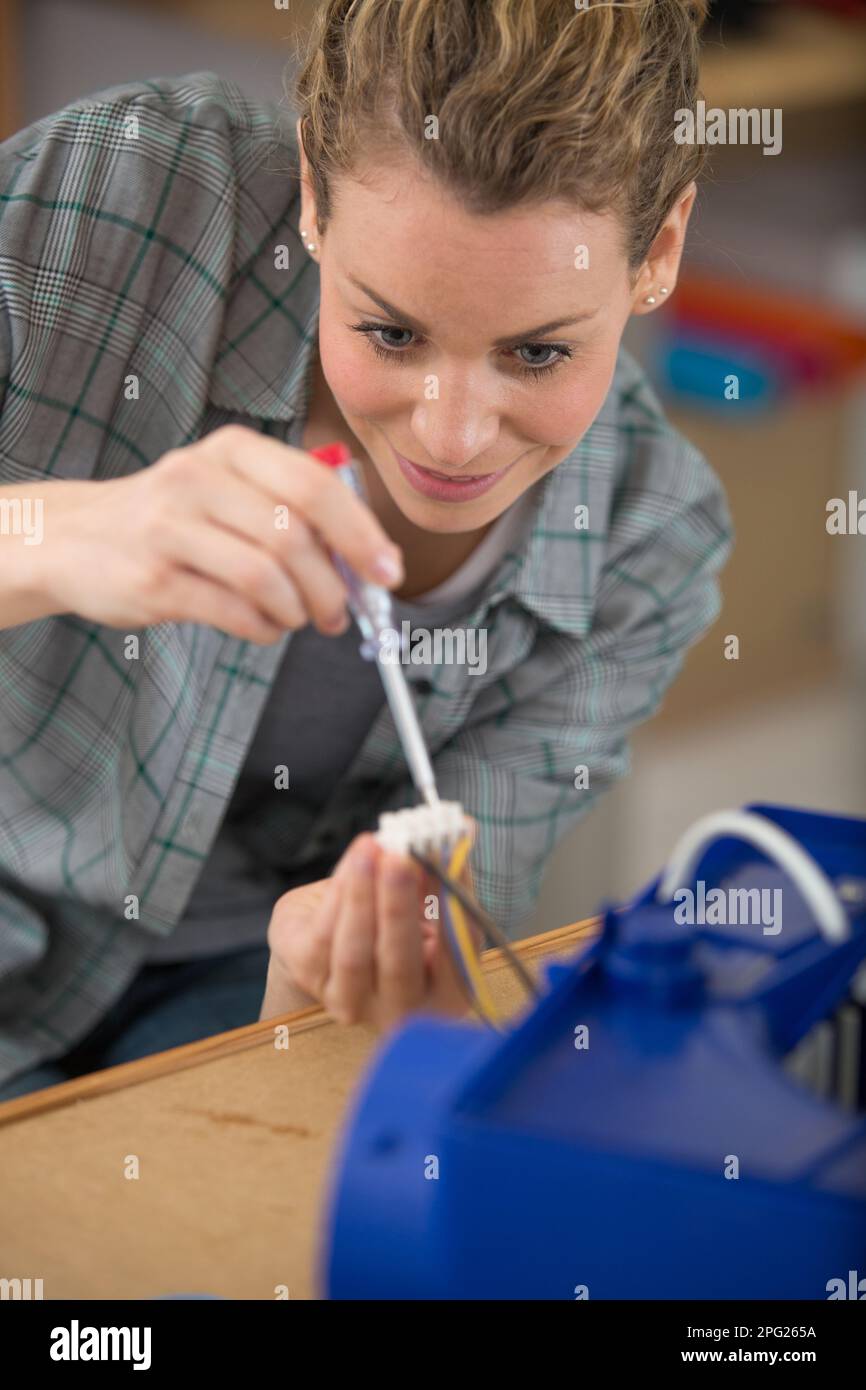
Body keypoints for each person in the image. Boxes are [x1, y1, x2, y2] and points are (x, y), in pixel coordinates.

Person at [0, 0, 731, 1100]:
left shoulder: (648, 547)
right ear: (312, 190)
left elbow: (410, 965)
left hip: (232, 987)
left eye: (536, 353)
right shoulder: (121, 189)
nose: (450, 437)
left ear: (657, 251)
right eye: (390, 332)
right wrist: (53, 534)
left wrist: (317, 993)